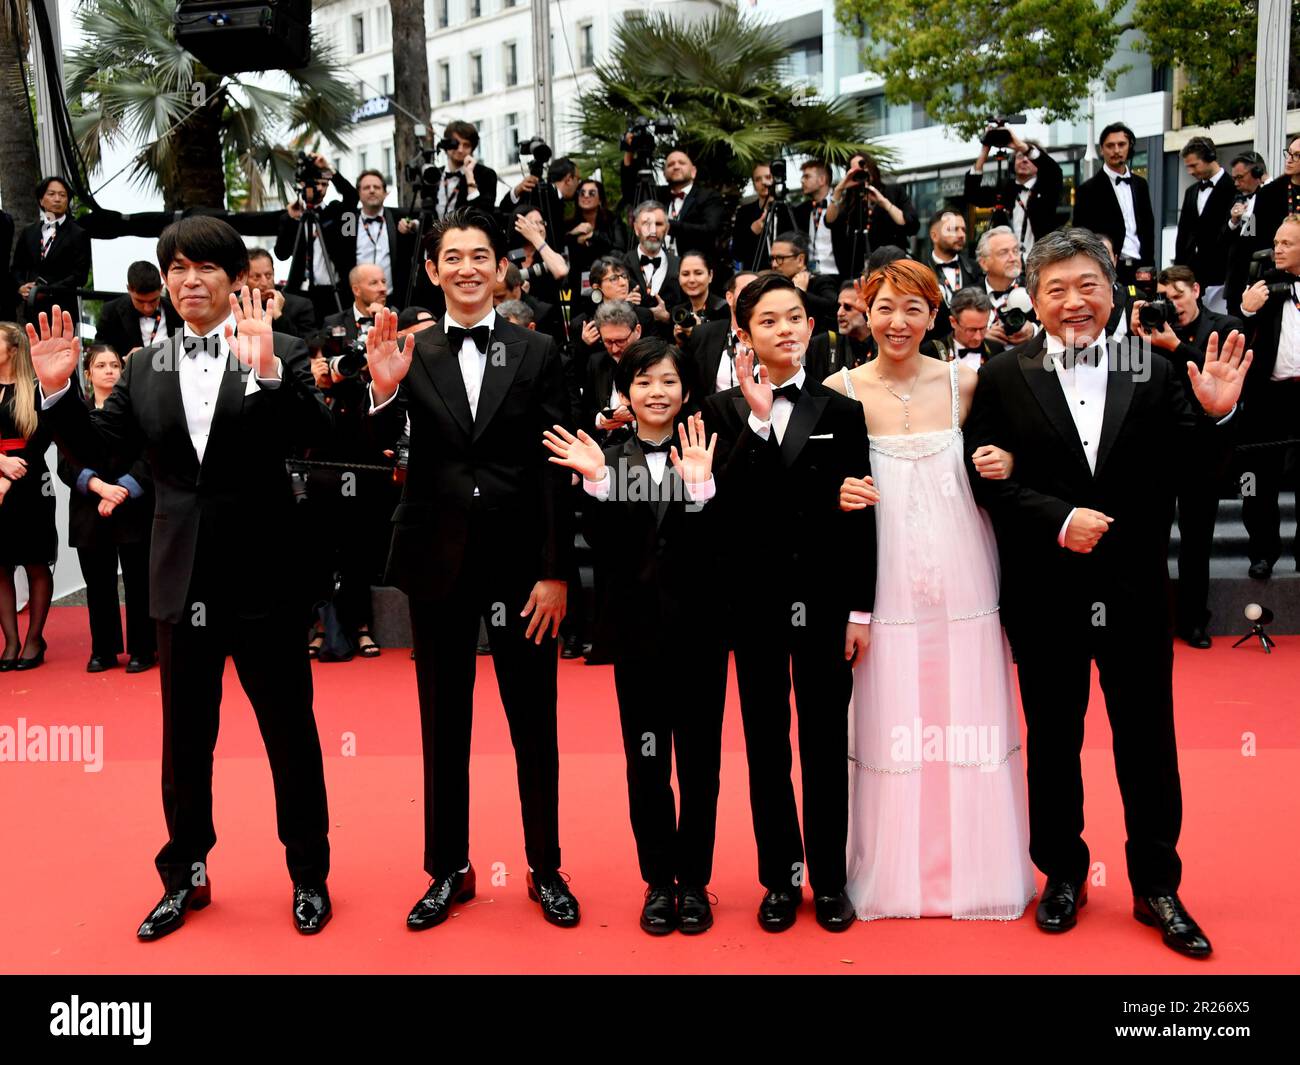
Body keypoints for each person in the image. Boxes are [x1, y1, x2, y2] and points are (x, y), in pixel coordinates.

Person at [31, 216, 335, 939]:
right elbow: (105, 450)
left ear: (235, 279)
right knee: (184, 740)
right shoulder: (143, 367)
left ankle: (309, 872)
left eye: (203, 268)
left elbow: (315, 435)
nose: (188, 280)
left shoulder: (282, 349)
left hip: (266, 576)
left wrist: (263, 371)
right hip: (179, 578)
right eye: (176, 269)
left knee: (290, 733)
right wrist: (60, 394)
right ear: (164, 282)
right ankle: (185, 874)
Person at [963, 226, 1248, 957]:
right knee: (1053, 740)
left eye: (1087, 284)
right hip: (1045, 591)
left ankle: (1157, 884)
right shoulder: (1003, 375)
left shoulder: (1151, 370)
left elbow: (1196, 477)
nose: (1073, 301)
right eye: (1055, 288)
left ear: (1112, 286)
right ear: (1035, 295)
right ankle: (1062, 872)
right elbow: (983, 479)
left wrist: (1216, 415)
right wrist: (1057, 519)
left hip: (1134, 590)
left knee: (1148, 741)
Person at [362, 207, 580, 930]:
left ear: (500, 266)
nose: (465, 267)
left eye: (479, 255)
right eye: (451, 256)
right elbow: (368, 446)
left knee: (534, 722)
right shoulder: (409, 350)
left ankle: (545, 865)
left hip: (523, 566)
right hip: (438, 560)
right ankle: (447, 868)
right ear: (430, 269)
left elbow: (555, 467)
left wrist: (555, 570)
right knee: (441, 721)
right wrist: (383, 393)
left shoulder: (539, 350)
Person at [827, 258, 1033, 922]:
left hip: (962, 568)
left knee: (963, 711)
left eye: (914, 308)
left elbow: (1013, 453)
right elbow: (808, 484)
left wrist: (1007, 462)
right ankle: (899, 874)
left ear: (935, 315)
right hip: (881, 577)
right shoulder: (839, 389)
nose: (898, 321)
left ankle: (973, 869)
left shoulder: (965, 384)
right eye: (885, 306)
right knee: (892, 718)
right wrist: (832, 492)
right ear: (864, 310)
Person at [702, 271, 875, 932]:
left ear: (812, 325)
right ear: (744, 333)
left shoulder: (842, 411)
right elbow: (721, 508)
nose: (784, 329)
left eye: (794, 317)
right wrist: (755, 416)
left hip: (829, 602)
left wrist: (862, 610)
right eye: (768, 320)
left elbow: (862, 514)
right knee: (766, 744)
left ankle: (830, 881)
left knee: (827, 742)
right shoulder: (720, 411)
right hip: (753, 604)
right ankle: (781, 877)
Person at [545, 339, 727, 935]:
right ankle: (658, 881)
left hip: (699, 635)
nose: (657, 392)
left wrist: (699, 493)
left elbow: (720, 551)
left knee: (700, 764)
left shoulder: (709, 453)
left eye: (669, 381)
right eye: (644, 381)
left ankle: (695, 883)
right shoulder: (610, 459)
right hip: (637, 638)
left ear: (686, 391)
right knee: (645, 764)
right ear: (625, 393)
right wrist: (597, 484)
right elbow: (604, 547)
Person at [1129, 265, 1241, 646]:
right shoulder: (1147, 328)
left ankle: (1194, 621)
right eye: (1164, 298)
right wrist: (1138, 342)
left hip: (1203, 451)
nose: (1170, 304)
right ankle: (1155, 619)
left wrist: (1175, 346)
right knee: (1152, 541)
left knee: (1197, 542)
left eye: (1177, 296)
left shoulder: (1224, 325)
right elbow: (1133, 378)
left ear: (1196, 290)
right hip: (1156, 450)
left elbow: (1220, 374)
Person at [56, 344, 155, 672]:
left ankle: (143, 648)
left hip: (133, 506)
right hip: (89, 509)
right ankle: (104, 650)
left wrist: (121, 491)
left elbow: (150, 455)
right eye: (101, 365)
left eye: (115, 365)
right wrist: (99, 488)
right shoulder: (76, 413)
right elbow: (65, 462)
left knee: (140, 582)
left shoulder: (139, 411)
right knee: (98, 585)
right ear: (88, 373)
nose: (110, 370)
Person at [1239, 214, 1300, 580]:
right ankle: (1262, 553)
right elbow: (1237, 336)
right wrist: (1246, 309)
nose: (1277, 249)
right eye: (1276, 243)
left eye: (1287, 244)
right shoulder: (1262, 282)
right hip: (1268, 397)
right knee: (1258, 480)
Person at [0, 321, 56, 671]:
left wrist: (10, 472)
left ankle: (34, 639)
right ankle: (11, 642)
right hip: (0, 474)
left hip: (31, 481)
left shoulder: (35, 388)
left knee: (35, 560)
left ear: (13, 349)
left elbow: (44, 436)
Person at [274, 153, 359, 325]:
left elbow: (352, 197)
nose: (320, 188)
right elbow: (282, 254)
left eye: (324, 184)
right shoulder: (292, 215)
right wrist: (292, 219)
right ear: (302, 184)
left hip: (332, 292)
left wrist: (330, 171)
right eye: (316, 183)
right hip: (300, 291)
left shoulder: (335, 212)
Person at [1072, 123, 1155, 286]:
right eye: (1110, 146)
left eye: (1121, 145)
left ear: (1129, 147)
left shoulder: (1140, 184)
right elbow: (1080, 235)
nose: (1116, 150)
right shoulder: (1087, 190)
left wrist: (1150, 265)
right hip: (1107, 269)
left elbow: (1148, 227)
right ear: (1102, 149)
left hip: (1141, 268)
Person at [965, 131, 1064, 256]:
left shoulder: (1047, 189)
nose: (1024, 160)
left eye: (1030, 157)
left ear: (1039, 164)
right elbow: (972, 194)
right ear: (1013, 162)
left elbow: (1053, 171)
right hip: (1008, 262)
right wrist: (985, 151)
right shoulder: (1005, 190)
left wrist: (1021, 146)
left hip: (1040, 260)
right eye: (1020, 156)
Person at [11, 176, 92, 327]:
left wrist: (47, 290)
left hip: (63, 311)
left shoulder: (78, 233)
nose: (57, 199)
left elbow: (80, 276)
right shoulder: (29, 232)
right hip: (31, 310)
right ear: (41, 200)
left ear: (68, 201)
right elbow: (17, 267)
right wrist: (21, 286)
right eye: (51, 194)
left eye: (62, 195)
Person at [621, 145, 726, 259]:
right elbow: (630, 193)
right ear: (664, 173)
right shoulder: (656, 194)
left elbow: (710, 230)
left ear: (693, 171)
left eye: (682, 163)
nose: (676, 166)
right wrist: (629, 151)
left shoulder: (708, 196)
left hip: (695, 267)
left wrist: (667, 224)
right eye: (670, 164)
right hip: (660, 268)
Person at [824, 152, 919, 278]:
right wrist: (839, 190)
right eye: (855, 170)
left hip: (892, 267)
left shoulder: (893, 191)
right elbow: (830, 222)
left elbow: (911, 224)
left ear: (872, 168)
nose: (862, 172)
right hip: (857, 271)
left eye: (864, 167)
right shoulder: (850, 200)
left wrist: (884, 202)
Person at [1174, 138, 1234, 313]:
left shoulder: (1232, 188)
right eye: (1187, 166)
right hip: (1192, 274)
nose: (1190, 171)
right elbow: (1182, 234)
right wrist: (1179, 271)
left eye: (1194, 165)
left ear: (1210, 157)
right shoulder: (1191, 191)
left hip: (1221, 275)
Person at [343, 169, 417, 308]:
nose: (372, 191)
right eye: (366, 187)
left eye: (376, 187)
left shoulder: (398, 217)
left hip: (394, 299)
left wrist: (414, 226)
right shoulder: (350, 220)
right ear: (359, 193)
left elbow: (428, 220)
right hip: (358, 300)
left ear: (385, 192)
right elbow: (343, 254)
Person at [681, 270, 758, 400]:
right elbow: (693, 390)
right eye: (746, 290)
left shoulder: (775, 335)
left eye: (760, 292)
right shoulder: (703, 335)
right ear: (729, 297)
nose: (754, 296)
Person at [582, 300, 642, 443]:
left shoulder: (656, 361)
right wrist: (600, 420)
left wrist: (636, 414)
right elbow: (585, 410)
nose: (614, 349)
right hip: (606, 445)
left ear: (637, 331)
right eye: (608, 342)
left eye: (621, 341)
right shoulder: (596, 362)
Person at [94, 261, 183, 357]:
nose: (147, 308)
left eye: (153, 300)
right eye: (140, 301)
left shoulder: (177, 309)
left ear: (161, 288)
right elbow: (98, 354)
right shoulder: (111, 312)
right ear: (129, 289)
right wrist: (124, 363)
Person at [1222, 152, 1271, 317]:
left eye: (1240, 177)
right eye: (1234, 178)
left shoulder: (1271, 196)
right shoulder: (1234, 200)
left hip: (1259, 280)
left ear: (1257, 173)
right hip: (1235, 283)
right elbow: (1221, 242)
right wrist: (1233, 221)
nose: (1236, 183)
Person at [622, 201, 681, 334]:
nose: (653, 230)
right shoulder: (621, 265)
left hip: (670, 345)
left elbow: (688, 307)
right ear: (636, 229)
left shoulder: (680, 265)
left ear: (666, 229)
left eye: (658, 224)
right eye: (646, 224)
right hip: (632, 346)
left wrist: (667, 317)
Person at [767, 231, 838, 335]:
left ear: (800, 260)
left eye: (780, 258)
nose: (774, 264)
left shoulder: (820, 282)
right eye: (772, 258)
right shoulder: (774, 285)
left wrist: (800, 292)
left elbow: (834, 308)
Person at [976, 226, 1036, 345]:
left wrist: (1034, 330)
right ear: (984, 263)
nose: (1013, 258)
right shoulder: (967, 295)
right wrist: (980, 335)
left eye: (1015, 251)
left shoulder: (1036, 288)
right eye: (1003, 253)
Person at [731, 161, 794, 271]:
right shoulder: (744, 213)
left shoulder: (789, 211)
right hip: (756, 273)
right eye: (758, 179)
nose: (763, 182)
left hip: (785, 273)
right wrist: (752, 231)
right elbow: (737, 254)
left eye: (768, 177)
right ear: (754, 184)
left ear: (776, 179)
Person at [430, 120, 499, 219]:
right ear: (446, 144)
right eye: (455, 143)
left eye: (466, 145)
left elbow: (484, 215)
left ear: (472, 148)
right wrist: (414, 224)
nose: (460, 149)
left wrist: (470, 178)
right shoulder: (434, 174)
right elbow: (430, 213)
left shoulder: (486, 175)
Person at [565, 178, 630, 283]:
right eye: (582, 193)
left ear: (600, 199)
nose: (586, 196)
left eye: (592, 193)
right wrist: (572, 235)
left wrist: (593, 235)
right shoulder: (569, 225)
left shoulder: (613, 220)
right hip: (576, 281)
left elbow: (620, 250)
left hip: (608, 278)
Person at [245, 247, 317, 339]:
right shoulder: (239, 307)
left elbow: (306, 345)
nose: (264, 283)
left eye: (268, 275)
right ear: (244, 278)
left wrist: (278, 315)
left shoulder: (301, 306)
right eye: (256, 277)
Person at [927, 286, 1006, 367]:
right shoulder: (931, 352)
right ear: (953, 322)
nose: (978, 337)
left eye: (983, 328)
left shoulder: (997, 350)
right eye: (971, 330)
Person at [926, 210, 982, 310]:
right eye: (954, 229)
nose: (962, 235)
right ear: (934, 236)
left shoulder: (975, 269)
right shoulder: (920, 272)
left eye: (963, 230)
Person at [791, 160, 838, 278]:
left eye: (807, 177)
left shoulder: (841, 205)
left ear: (822, 180)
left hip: (837, 274)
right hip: (811, 275)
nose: (802, 181)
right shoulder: (802, 210)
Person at [670, 251, 727, 348]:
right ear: (679, 277)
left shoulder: (723, 310)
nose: (691, 280)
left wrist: (699, 332)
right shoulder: (678, 312)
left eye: (698, 273)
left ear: (710, 275)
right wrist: (680, 343)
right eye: (685, 274)